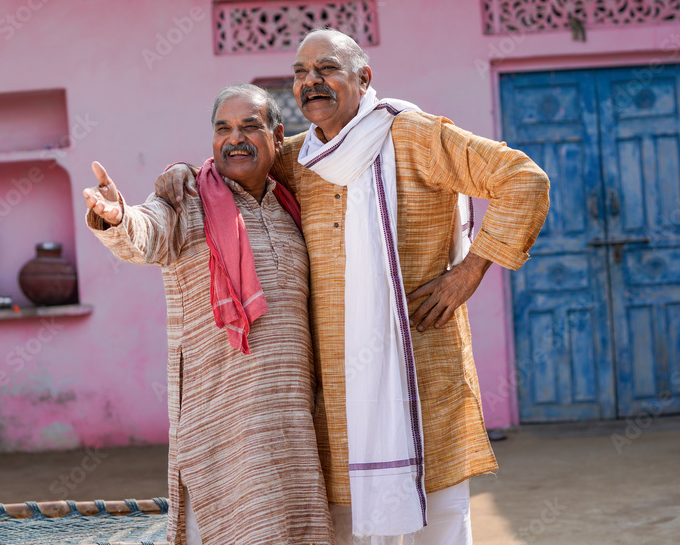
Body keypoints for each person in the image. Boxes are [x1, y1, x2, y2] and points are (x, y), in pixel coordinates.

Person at [156, 30, 550, 544]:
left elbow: (524, 179)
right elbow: (234, 163)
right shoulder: (297, 159)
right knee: (349, 527)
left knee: (438, 522)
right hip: (337, 391)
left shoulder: (414, 137)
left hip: (420, 372)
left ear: (364, 78)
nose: (311, 82)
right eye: (300, 73)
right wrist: (177, 183)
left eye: (326, 68)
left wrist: (469, 271)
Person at [84, 84, 334, 545]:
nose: (234, 139)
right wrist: (117, 217)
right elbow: (148, 231)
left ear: (278, 137)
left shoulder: (291, 203)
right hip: (221, 419)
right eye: (223, 129)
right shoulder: (188, 200)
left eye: (249, 127)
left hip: (291, 419)